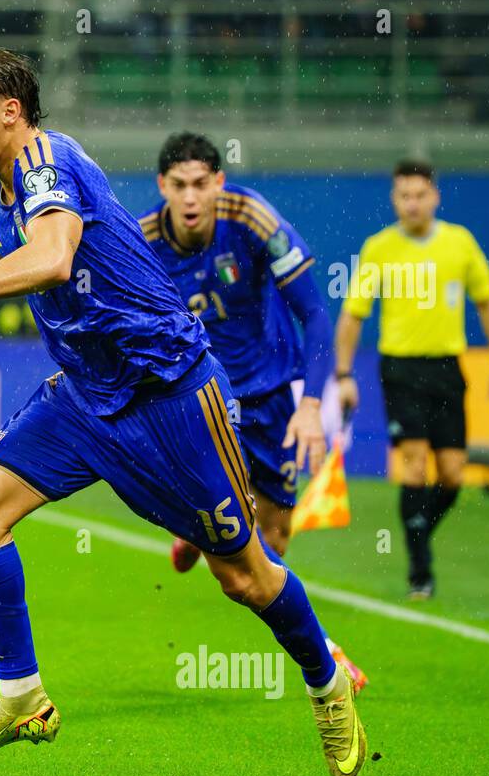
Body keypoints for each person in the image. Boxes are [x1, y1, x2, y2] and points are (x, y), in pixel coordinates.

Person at [0, 49, 367, 776]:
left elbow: (49, 257)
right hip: (83, 393)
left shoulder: (50, 160)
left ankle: (326, 685)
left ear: (9, 112)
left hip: (170, 391)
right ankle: (23, 696)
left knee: (245, 576)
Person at [139, 131, 367, 693]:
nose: (190, 198)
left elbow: (315, 313)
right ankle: (326, 653)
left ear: (218, 182)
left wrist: (312, 406)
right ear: (162, 187)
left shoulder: (254, 219)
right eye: (178, 186)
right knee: (242, 559)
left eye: (200, 184)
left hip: (270, 392)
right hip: (199, 396)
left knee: (277, 537)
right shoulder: (141, 242)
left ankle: (195, 528)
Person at [335, 158, 489, 599]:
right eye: (403, 196)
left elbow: (487, 304)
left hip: (447, 368)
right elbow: (353, 315)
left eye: (420, 195)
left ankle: (418, 532)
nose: (412, 204)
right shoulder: (379, 248)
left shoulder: (460, 244)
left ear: (436, 196)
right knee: (414, 465)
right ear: (394, 199)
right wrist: (342, 373)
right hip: (400, 369)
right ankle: (420, 572)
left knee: (453, 474)